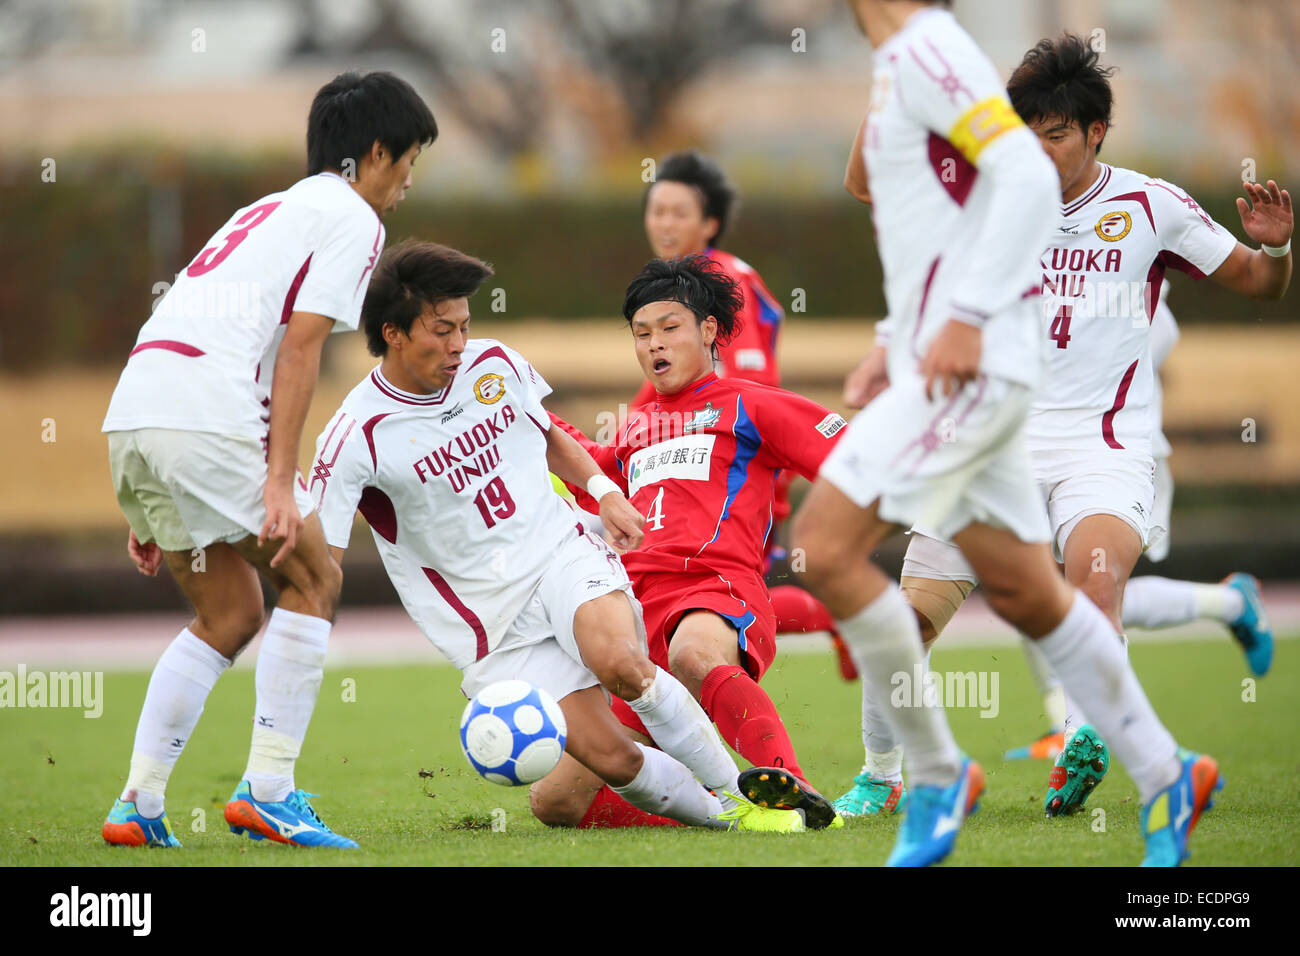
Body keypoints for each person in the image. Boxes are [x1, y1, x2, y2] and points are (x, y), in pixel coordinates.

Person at [793, 0, 1226, 867]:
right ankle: (1165, 769)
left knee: (825, 547)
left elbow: (1025, 180)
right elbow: (898, 202)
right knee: (1031, 596)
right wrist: (894, 340)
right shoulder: (901, 62)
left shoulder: (931, 49)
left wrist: (963, 320)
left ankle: (938, 773)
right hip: (971, 382)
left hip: (973, 377)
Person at [310, 240, 807, 833]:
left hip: (561, 553)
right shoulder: (354, 435)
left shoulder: (494, 365)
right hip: (491, 624)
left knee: (623, 663)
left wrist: (603, 493)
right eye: (442, 331)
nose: (459, 345)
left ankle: (752, 799)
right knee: (603, 768)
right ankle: (724, 819)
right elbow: (323, 554)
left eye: (465, 327)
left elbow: (546, 433)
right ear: (393, 333)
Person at [100, 71, 438, 849]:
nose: (410, 180)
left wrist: (151, 494)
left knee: (231, 613)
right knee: (314, 575)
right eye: (410, 159)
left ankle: (138, 804)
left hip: (136, 417)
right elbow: (300, 347)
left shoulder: (265, 208)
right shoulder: (354, 217)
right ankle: (270, 792)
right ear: (376, 152)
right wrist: (280, 482)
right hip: (207, 423)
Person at [536, 254, 848, 830]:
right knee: (556, 802)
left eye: (670, 327)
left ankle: (794, 794)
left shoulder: (750, 403)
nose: (655, 343)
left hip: (714, 586)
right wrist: (525, 420)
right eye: (642, 333)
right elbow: (588, 472)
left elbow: (852, 457)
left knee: (694, 655)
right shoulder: (633, 426)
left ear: (708, 331)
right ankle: (720, 816)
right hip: (630, 614)